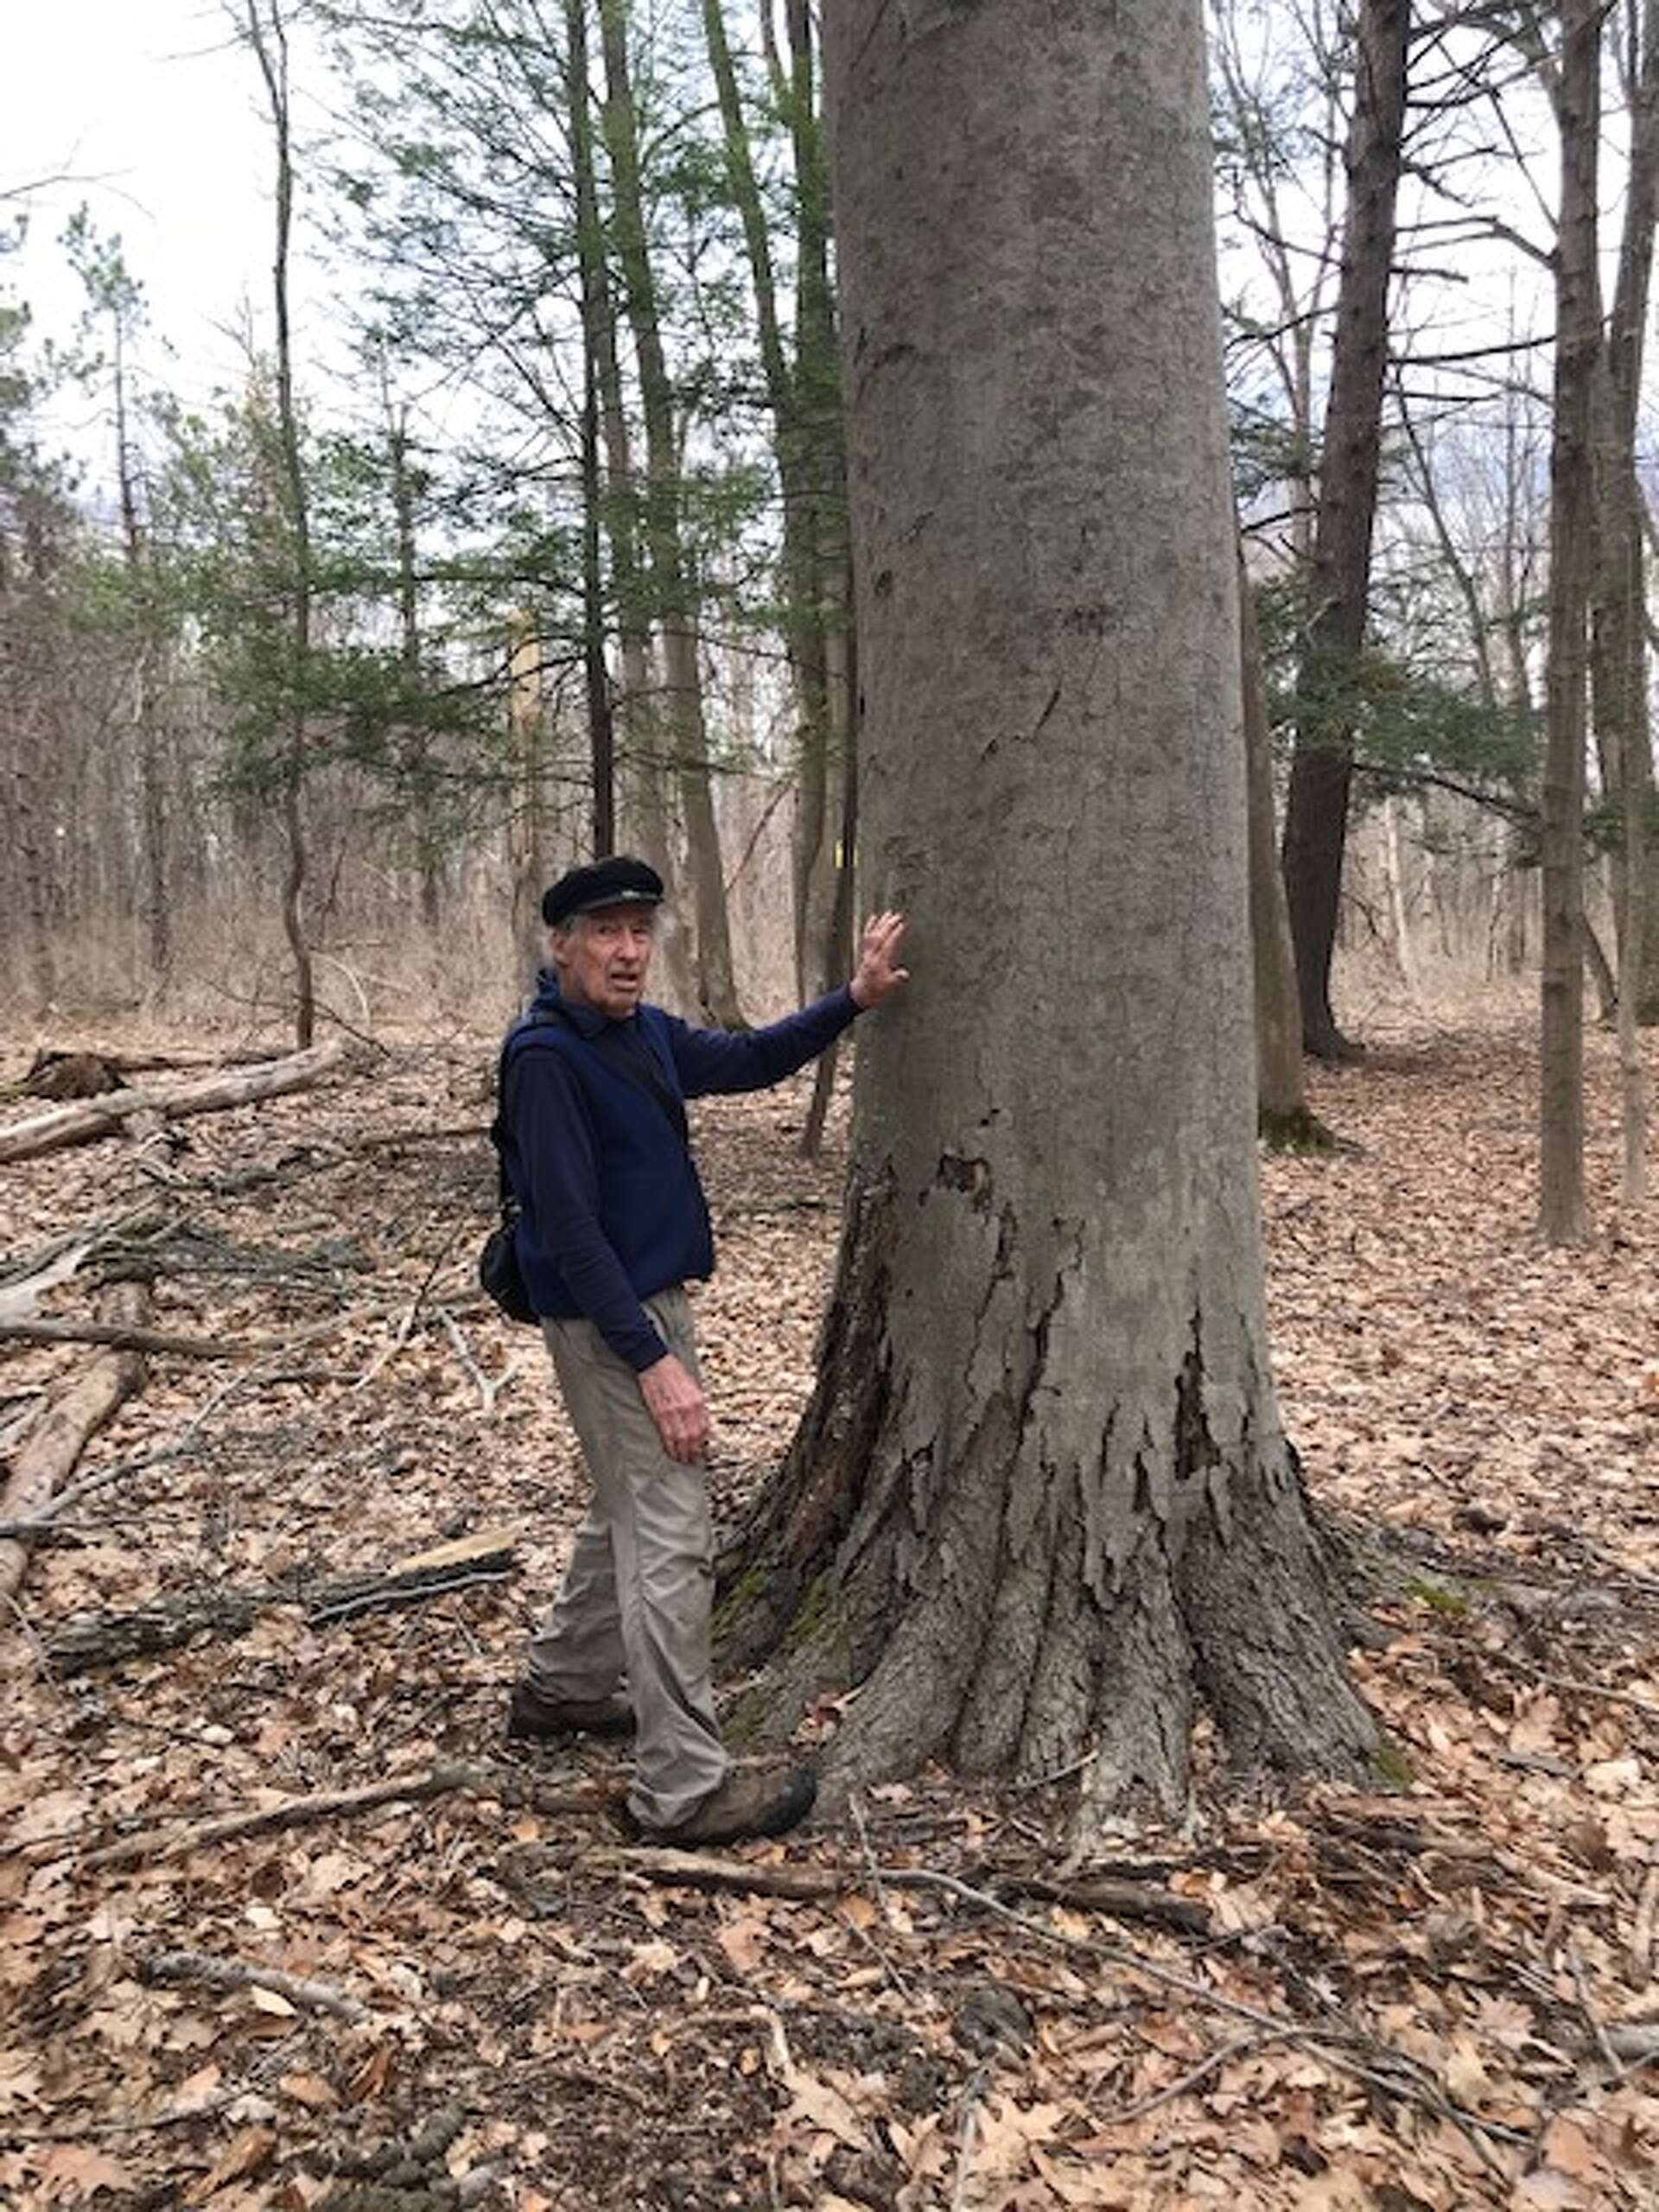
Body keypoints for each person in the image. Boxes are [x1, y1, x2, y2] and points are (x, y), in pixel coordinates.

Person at [497, 855, 909, 1847]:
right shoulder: (548, 1058)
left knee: (626, 1506)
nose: (629, 950)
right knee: (673, 1535)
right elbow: (567, 1228)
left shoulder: (637, 1035)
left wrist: (850, 999)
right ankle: (681, 1788)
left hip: (641, 1311)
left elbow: (749, 1059)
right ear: (562, 946)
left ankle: (561, 1688)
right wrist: (653, 1359)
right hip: (612, 1322)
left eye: (641, 930)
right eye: (605, 932)